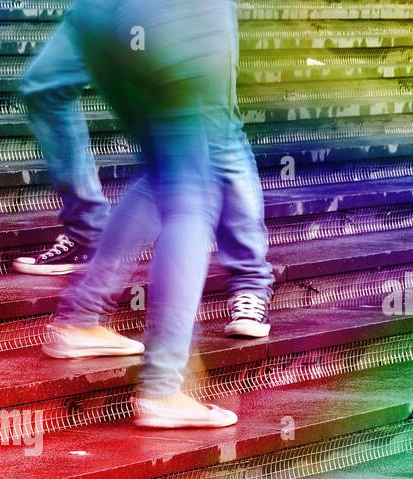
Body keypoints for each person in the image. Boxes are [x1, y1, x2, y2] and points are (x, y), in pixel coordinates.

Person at [33, 0, 268, 429]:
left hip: (100, 15)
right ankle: (162, 386)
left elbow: (41, 86)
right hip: (175, 15)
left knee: (169, 168)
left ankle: (82, 318)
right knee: (190, 189)